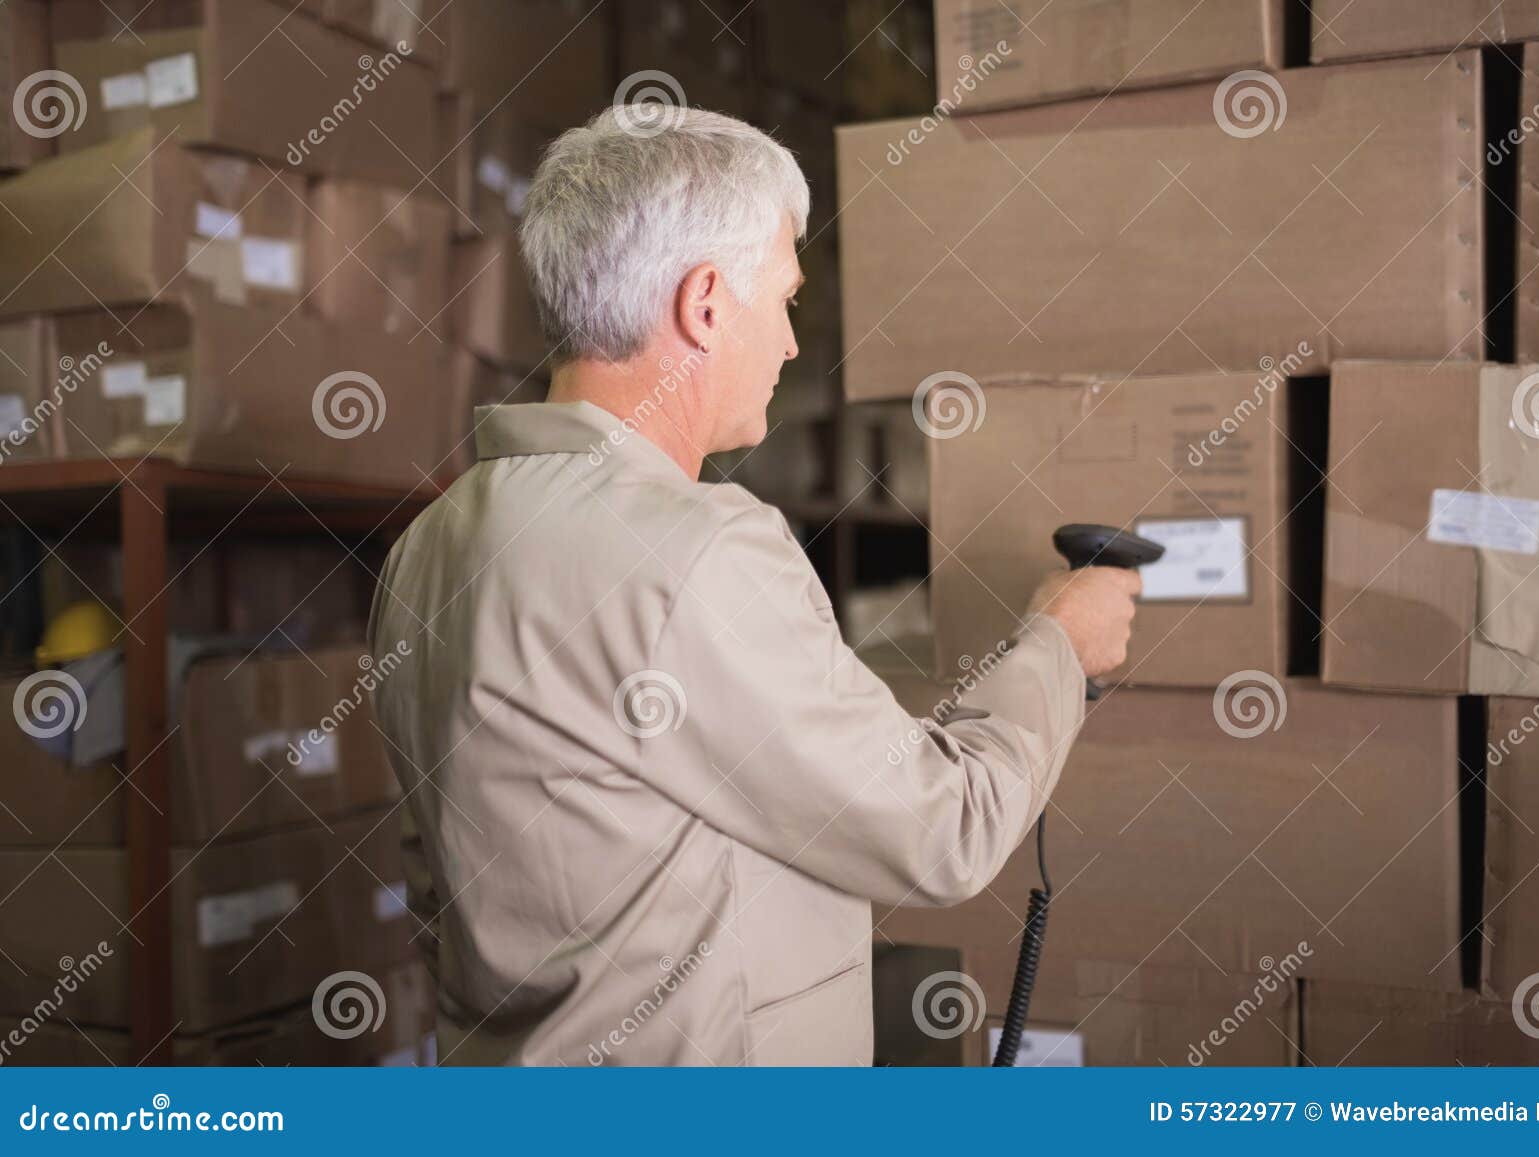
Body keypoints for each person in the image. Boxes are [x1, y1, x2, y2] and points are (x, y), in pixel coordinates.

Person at [367, 105, 1142, 1065]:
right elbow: (947, 826)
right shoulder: (696, 550)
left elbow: (438, 895)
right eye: (781, 300)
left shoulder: (429, 547)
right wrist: (1059, 646)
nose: (785, 343)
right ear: (704, 305)